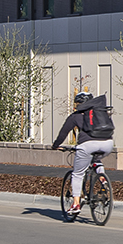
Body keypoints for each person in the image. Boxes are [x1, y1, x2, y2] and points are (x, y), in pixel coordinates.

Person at [50, 93, 115, 221]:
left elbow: (63, 133)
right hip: (108, 144)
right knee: (96, 159)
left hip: (87, 145)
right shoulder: (101, 113)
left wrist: (55, 146)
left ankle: (76, 204)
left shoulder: (76, 116)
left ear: (79, 104)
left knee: (77, 174)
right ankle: (102, 178)